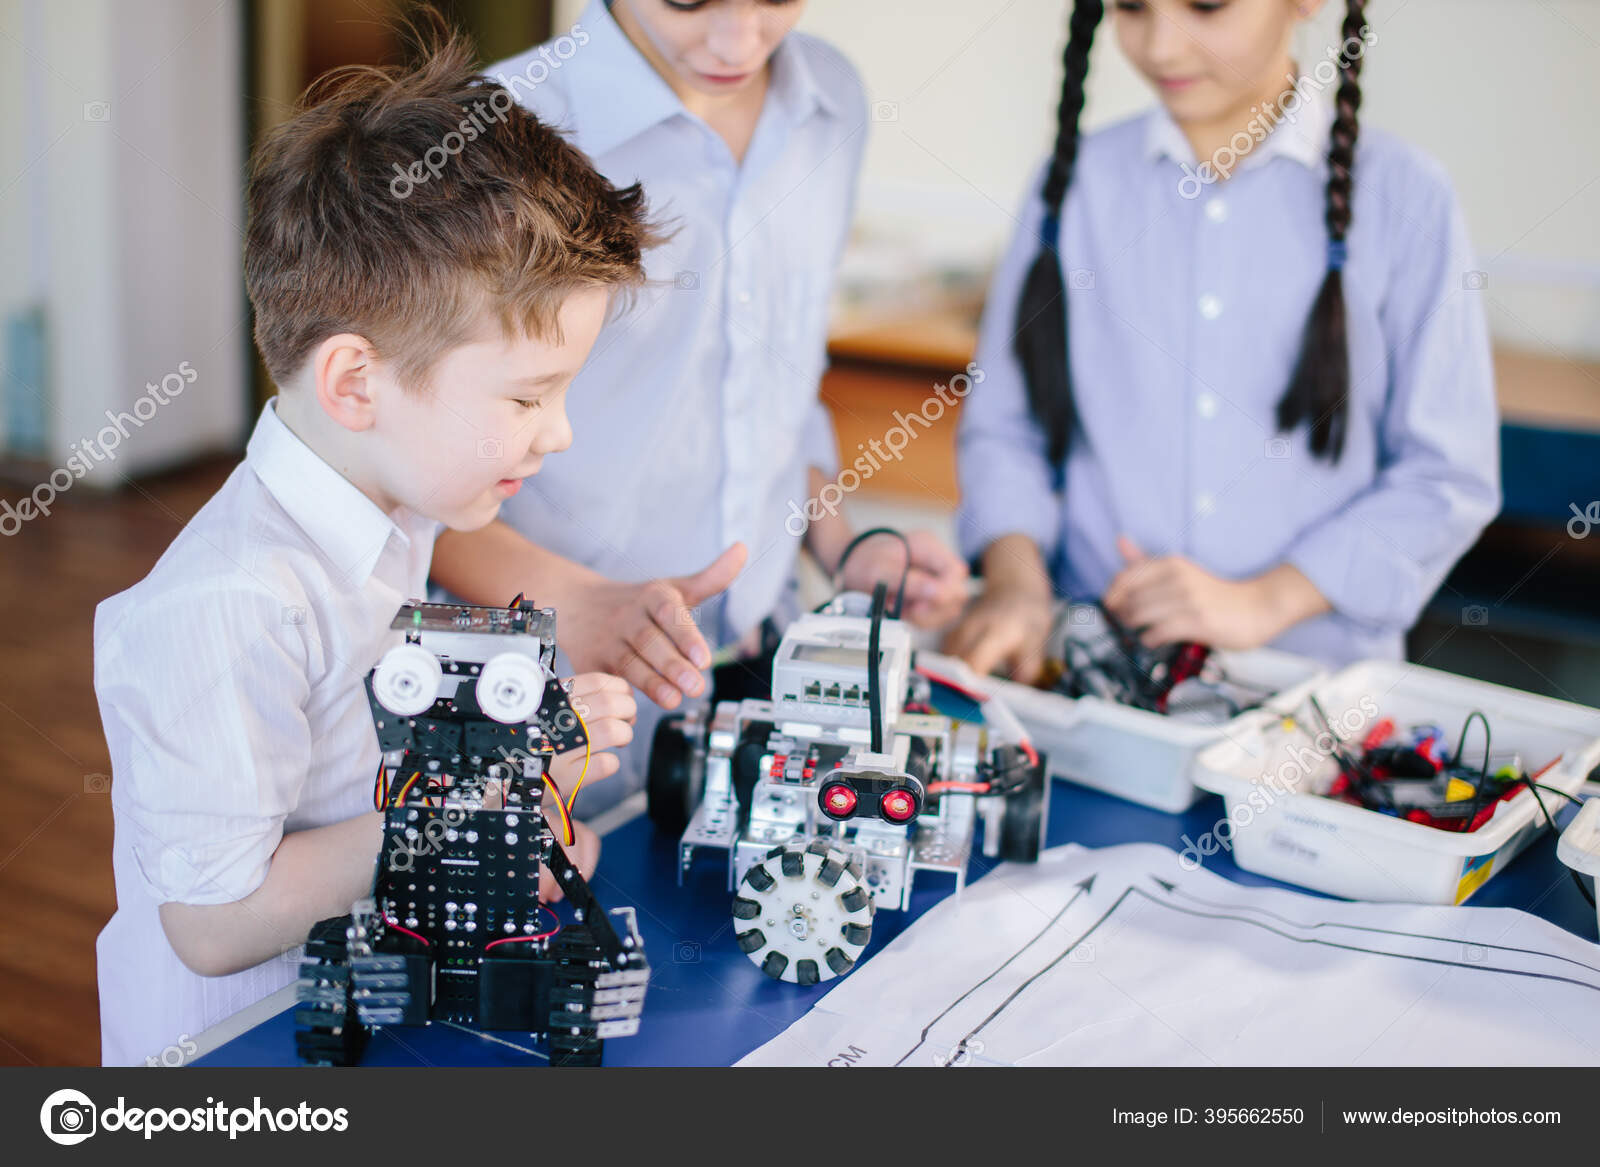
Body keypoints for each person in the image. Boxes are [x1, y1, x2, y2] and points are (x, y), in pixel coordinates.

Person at [92, 24, 652, 1065]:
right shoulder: (228, 603)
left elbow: (377, 797)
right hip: (234, 1053)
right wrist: (501, 794)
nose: (559, 430)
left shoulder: (401, 507)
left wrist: (508, 827)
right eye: (529, 395)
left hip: (365, 1004)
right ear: (357, 384)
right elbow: (213, 925)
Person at [430, 0, 970, 812]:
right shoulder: (491, 136)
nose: (738, 41)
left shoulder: (831, 101)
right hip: (542, 681)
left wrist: (843, 543)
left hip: (747, 665)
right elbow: (405, 475)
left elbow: (775, 381)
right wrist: (573, 602)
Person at [946, 0, 1499, 681]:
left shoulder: (1408, 197)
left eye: (1206, 6)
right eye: (1131, 8)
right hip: (1090, 681)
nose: (1162, 47)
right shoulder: (1072, 185)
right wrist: (1015, 581)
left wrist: (1264, 600)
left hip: (1313, 697)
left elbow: (1444, 474)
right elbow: (1005, 429)